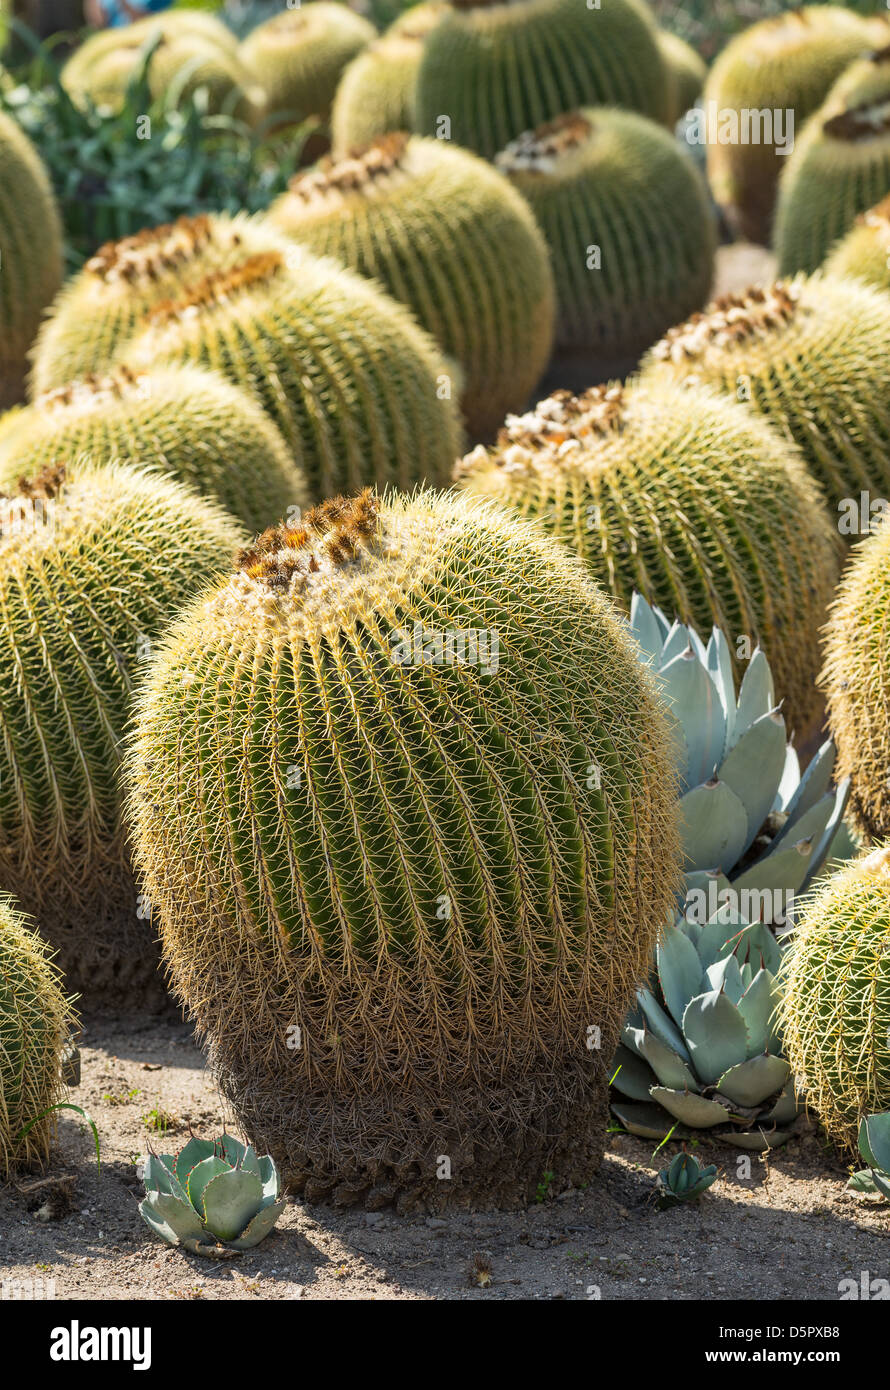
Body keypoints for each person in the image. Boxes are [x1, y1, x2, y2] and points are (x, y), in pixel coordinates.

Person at [84, 0, 174, 27]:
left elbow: (142, 22)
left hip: (137, 47)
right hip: (114, 43)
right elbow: (97, 22)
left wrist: (122, 2)